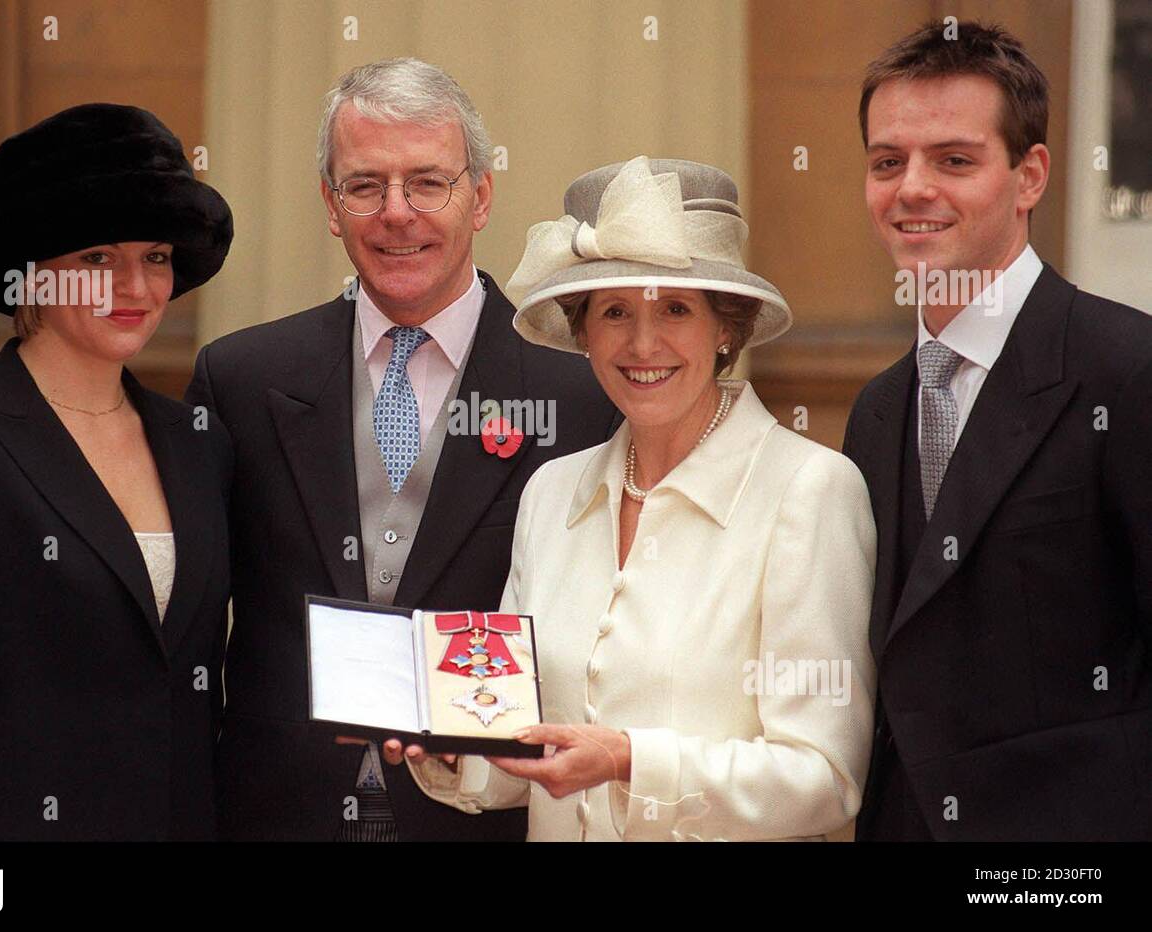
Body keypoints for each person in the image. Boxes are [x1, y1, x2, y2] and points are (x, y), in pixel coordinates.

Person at [184, 58, 616, 841]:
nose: (396, 213)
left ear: (480, 196)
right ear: (330, 204)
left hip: (479, 816)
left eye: (427, 183)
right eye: (364, 186)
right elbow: (193, 625)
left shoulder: (580, 397)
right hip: (276, 815)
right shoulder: (242, 378)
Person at [388, 156, 877, 841]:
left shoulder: (809, 490)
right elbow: (524, 753)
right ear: (584, 332)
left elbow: (825, 779)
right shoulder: (550, 491)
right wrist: (455, 747)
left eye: (675, 309)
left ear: (726, 327)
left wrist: (629, 759)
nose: (642, 343)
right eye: (615, 311)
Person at [0, 103, 235, 840]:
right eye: (98, 258)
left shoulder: (199, 443)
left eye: (155, 256)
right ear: (33, 274)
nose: (136, 286)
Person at [845, 21, 1152, 841]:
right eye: (887, 161)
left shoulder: (1128, 369)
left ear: (1030, 175)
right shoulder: (877, 410)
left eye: (953, 159)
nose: (911, 188)